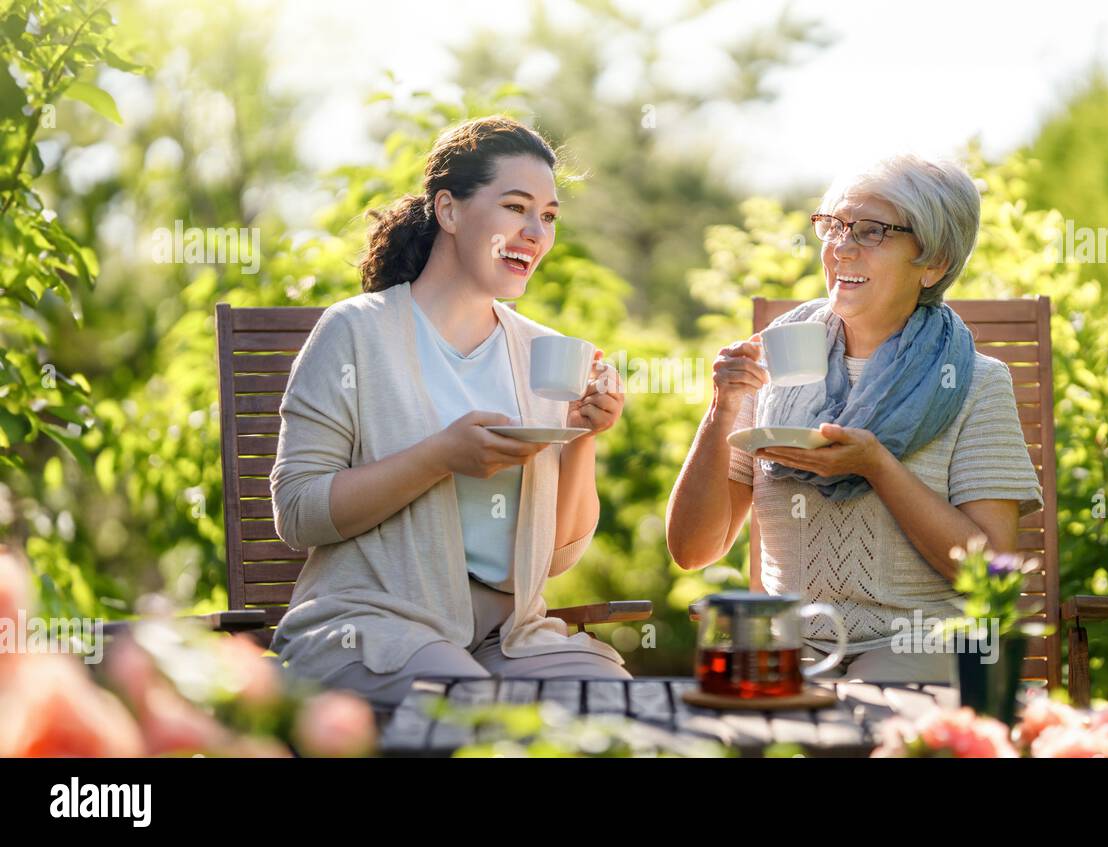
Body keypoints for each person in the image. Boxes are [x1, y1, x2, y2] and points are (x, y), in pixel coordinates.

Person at [269, 116, 631, 708]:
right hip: (371, 623)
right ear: (450, 211)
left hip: (507, 635)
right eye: (516, 207)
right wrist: (438, 457)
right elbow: (298, 511)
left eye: (549, 215)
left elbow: (559, 556)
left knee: (611, 704)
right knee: (463, 704)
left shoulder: (544, 355)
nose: (536, 232)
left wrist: (582, 436)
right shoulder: (356, 332)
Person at [666, 154, 1044, 685]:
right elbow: (692, 549)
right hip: (788, 644)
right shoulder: (772, 363)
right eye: (834, 226)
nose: (842, 247)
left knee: (869, 723)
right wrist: (721, 407)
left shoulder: (977, 383)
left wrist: (878, 466)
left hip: (919, 641)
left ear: (933, 261)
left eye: (872, 231)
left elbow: (991, 574)